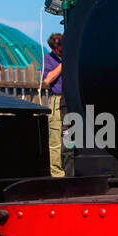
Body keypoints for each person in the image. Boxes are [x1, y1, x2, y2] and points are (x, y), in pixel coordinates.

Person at [41, 32, 66, 178]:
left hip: (70, 99)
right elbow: (47, 80)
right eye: (59, 49)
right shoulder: (48, 59)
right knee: (56, 137)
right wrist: (63, 64)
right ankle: (57, 172)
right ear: (54, 49)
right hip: (57, 99)